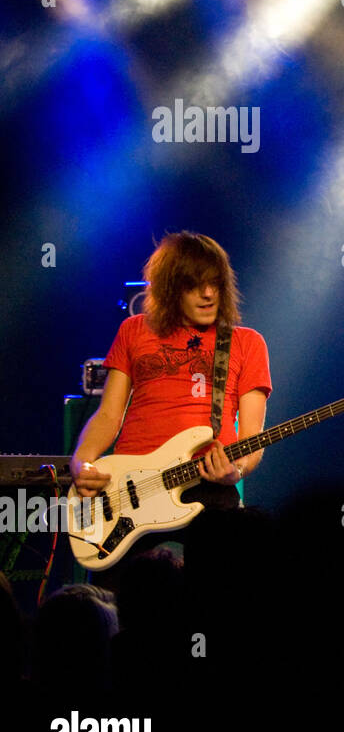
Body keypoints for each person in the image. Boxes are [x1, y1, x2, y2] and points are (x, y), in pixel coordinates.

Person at [70, 232, 272, 556]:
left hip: (210, 487)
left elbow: (253, 436)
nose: (208, 295)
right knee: (122, 597)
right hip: (132, 486)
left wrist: (236, 471)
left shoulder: (247, 343)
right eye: (194, 285)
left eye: (215, 284)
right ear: (169, 288)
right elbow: (108, 415)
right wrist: (82, 462)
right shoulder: (133, 330)